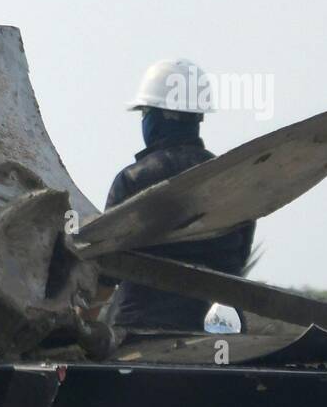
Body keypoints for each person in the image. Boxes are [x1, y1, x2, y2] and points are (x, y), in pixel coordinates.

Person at [100, 59, 256, 332]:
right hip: (223, 331)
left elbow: (105, 268)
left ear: (156, 118)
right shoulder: (234, 180)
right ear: (198, 118)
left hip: (141, 331)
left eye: (144, 112)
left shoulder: (133, 180)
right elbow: (239, 258)